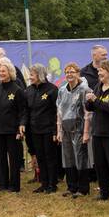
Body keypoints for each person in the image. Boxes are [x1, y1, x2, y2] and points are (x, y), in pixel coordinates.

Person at [0, 58, 28, 192]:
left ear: (10, 72)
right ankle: (2, 184)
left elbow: (23, 110)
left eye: (3, 71)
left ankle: (14, 186)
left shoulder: (17, 90)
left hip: (13, 130)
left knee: (14, 159)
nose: (1, 73)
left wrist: (21, 124)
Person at [84, 61, 109, 201]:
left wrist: (96, 101)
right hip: (98, 131)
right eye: (99, 70)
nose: (99, 73)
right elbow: (91, 108)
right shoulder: (98, 86)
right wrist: (88, 101)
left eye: (102, 70)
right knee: (100, 164)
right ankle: (104, 192)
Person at [57, 62, 92, 197]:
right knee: (68, 157)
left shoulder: (84, 90)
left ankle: (83, 188)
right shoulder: (62, 90)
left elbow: (88, 112)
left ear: (78, 74)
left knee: (80, 157)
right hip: (65, 128)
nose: (69, 74)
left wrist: (86, 132)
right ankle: (71, 186)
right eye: (67, 72)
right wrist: (59, 130)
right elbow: (59, 111)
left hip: (79, 127)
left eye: (72, 72)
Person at [26, 64, 61, 193]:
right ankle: (44, 183)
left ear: (40, 75)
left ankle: (53, 184)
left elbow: (56, 111)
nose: (30, 78)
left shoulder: (52, 89)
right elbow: (27, 110)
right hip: (35, 130)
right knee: (40, 157)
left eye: (32, 75)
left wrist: (55, 131)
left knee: (50, 157)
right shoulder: (28, 90)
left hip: (48, 129)